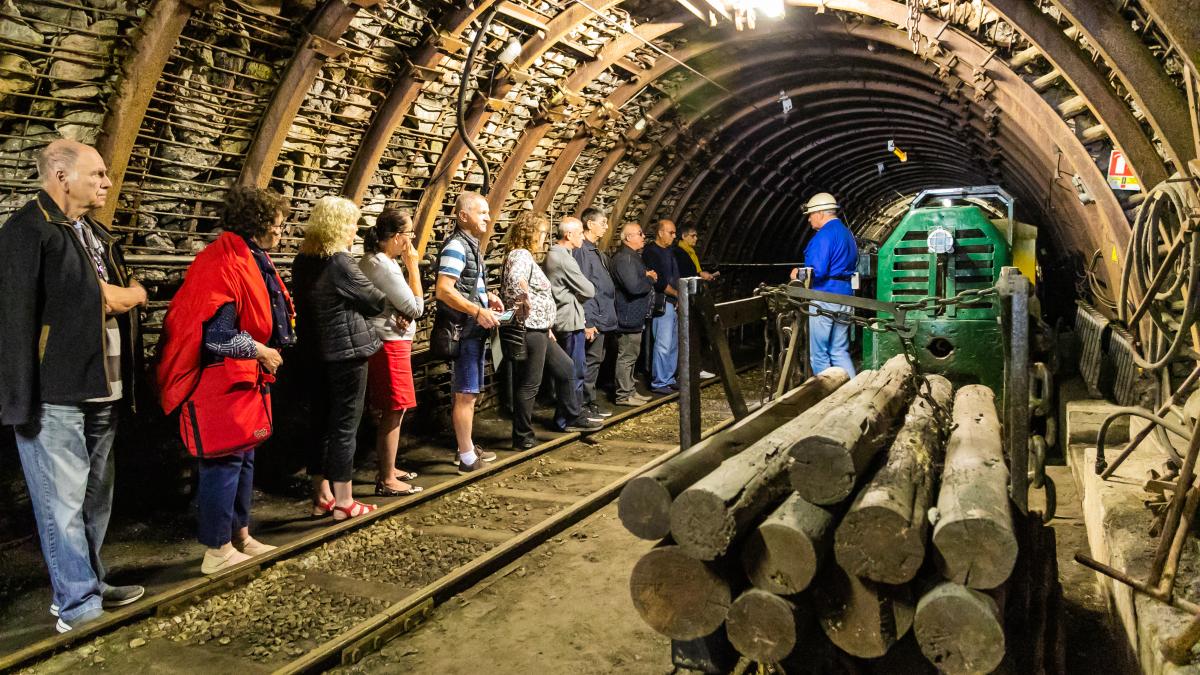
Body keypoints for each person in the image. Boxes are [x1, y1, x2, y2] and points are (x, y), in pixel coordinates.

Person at [0, 139, 147, 632]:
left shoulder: (89, 232)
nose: (107, 182)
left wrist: (119, 296)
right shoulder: (27, 232)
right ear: (62, 177)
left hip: (103, 386)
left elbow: (112, 295)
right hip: (55, 391)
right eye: (98, 174)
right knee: (61, 500)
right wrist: (19, 396)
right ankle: (76, 603)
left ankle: (89, 581)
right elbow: (17, 315)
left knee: (93, 498)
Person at [157, 185, 293, 574]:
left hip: (242, 383)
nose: (281, 232)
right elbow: (217, 335)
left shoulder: (247, 256)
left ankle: (239, 536)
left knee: (243, 458)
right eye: (278, 225)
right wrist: (261, 351)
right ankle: (216, 550)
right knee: (223, 462)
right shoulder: (224, 264)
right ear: (257, 223)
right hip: (219, 383)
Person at [295, 196, 388, 520]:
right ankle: (344, 500)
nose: (354, 230)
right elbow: (375, 301)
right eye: (350, 224)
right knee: (345, 425)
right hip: (346, 356)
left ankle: (321, 494)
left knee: (318, 423)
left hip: (313, 354)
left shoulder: (303, 260)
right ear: (336, 226)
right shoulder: (341, 262)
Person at [501, 213, 600, 449]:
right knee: (529, 384)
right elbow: (517, 280)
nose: (544, 239)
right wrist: (524, 297)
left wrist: (547, 324)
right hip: (530, 329)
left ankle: (572, 416)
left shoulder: (523, 256)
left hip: (541, 329)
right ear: (531, 233)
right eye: (542, 233)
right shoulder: (521, 255)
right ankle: (522, 436)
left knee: (566, 368)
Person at [435, 191, 504, 474]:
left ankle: (467, 445)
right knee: (466, 393)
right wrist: (477, 310)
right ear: (464, 216)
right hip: (464, 331)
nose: (488, 217)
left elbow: (467, 284)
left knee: (469, 392)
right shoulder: (457, 246)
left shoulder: (471, 245)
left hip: (473, 330)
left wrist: (488, 297)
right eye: (482, 212)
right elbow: (444, 289)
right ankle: (465, 457)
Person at [359, 209, 424, 497]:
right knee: (394, 407)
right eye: (409, 234)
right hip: (389, 343)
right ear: (398, 237)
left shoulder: (377, 262)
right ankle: (387, 477)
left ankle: (390, 467)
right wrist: (414, 267)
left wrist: (401, 309)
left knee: (395, 407)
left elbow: (399, 305)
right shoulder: (384, 265)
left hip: (390, 338)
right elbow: (416, 308)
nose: (411, 240)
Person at [790, 192, 858, 377]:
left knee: (819, 355)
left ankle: (829, 398)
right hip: (845, 295)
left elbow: (817, 271)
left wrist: (798, 273)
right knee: (839, 350)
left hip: (824, 296)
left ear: (820, 213)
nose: (809, 220)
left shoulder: (824, 235)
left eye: (811, 215)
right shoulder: (846, 233)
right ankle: (853, 392)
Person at [544, 217, 596, 415]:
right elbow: (589, 289)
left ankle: (573, 412)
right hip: (569, 321)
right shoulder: (564, 258)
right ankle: (570, 416)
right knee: (574, 371)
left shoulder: (556, 255)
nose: (583, 237)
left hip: (565, 317)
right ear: (569, 235)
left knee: (571, 371)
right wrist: (576, 295)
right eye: (580, 233)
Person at [573, 207, 617, 418]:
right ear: (590, 224)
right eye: (603, 222)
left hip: (602, 317)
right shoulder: (583, 251)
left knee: (595, 361)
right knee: (589, 362)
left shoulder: (595, 251)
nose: (606, 226)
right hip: (594, 318)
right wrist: (588, 320)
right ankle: (583, 406)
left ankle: (590, 403)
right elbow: (583, 289)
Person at [610, 223, 656, 406]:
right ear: (628, 237)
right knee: (627, 356)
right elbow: (634, 287)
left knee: (631, 356)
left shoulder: (632, 257)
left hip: (633, 315)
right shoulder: (624, 259)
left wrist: (645, 277)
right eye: (640, 233)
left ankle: (629, 390)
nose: (643, 236)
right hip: (627, 316)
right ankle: (623, 395)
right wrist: (650, 278)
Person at [641, 219, 681, 395]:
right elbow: (659, 281)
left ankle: (669, 377)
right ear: (660, 233)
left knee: (672, 343)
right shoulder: (651, 252)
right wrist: (677, 294)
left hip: (673, 301)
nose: (674, 236)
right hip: (663, 303)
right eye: (670, 232)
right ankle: (659, 381)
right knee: (663, 343)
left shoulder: (670, 252)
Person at [673, 226, 717, 379]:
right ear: (684, 237)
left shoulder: (690, 253)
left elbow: (693, 272)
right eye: (693, 236)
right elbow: (685, 275)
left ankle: (694, 368)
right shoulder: (679, 253)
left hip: (691, 297)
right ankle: (687, 370)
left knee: (694, 333)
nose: (696, 239)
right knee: (687, 334)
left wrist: (701, 274)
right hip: (685, 298)